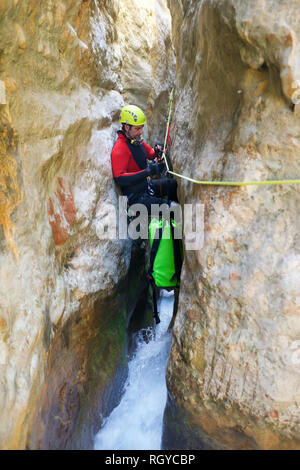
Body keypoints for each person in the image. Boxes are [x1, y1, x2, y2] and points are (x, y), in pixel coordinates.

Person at [111, 104, 178, 212]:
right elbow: (120, 179)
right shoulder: (120, 148)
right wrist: (148, 171)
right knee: (172, 208)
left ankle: (168, 219)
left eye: (142, 128)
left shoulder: (136, 141)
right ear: (127, 127)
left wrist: (157, 151)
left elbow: (150, 153)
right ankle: (162, 223)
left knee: (173, 185)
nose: (141, 132)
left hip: (146, 187)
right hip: (135, 198)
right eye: (137, 128)